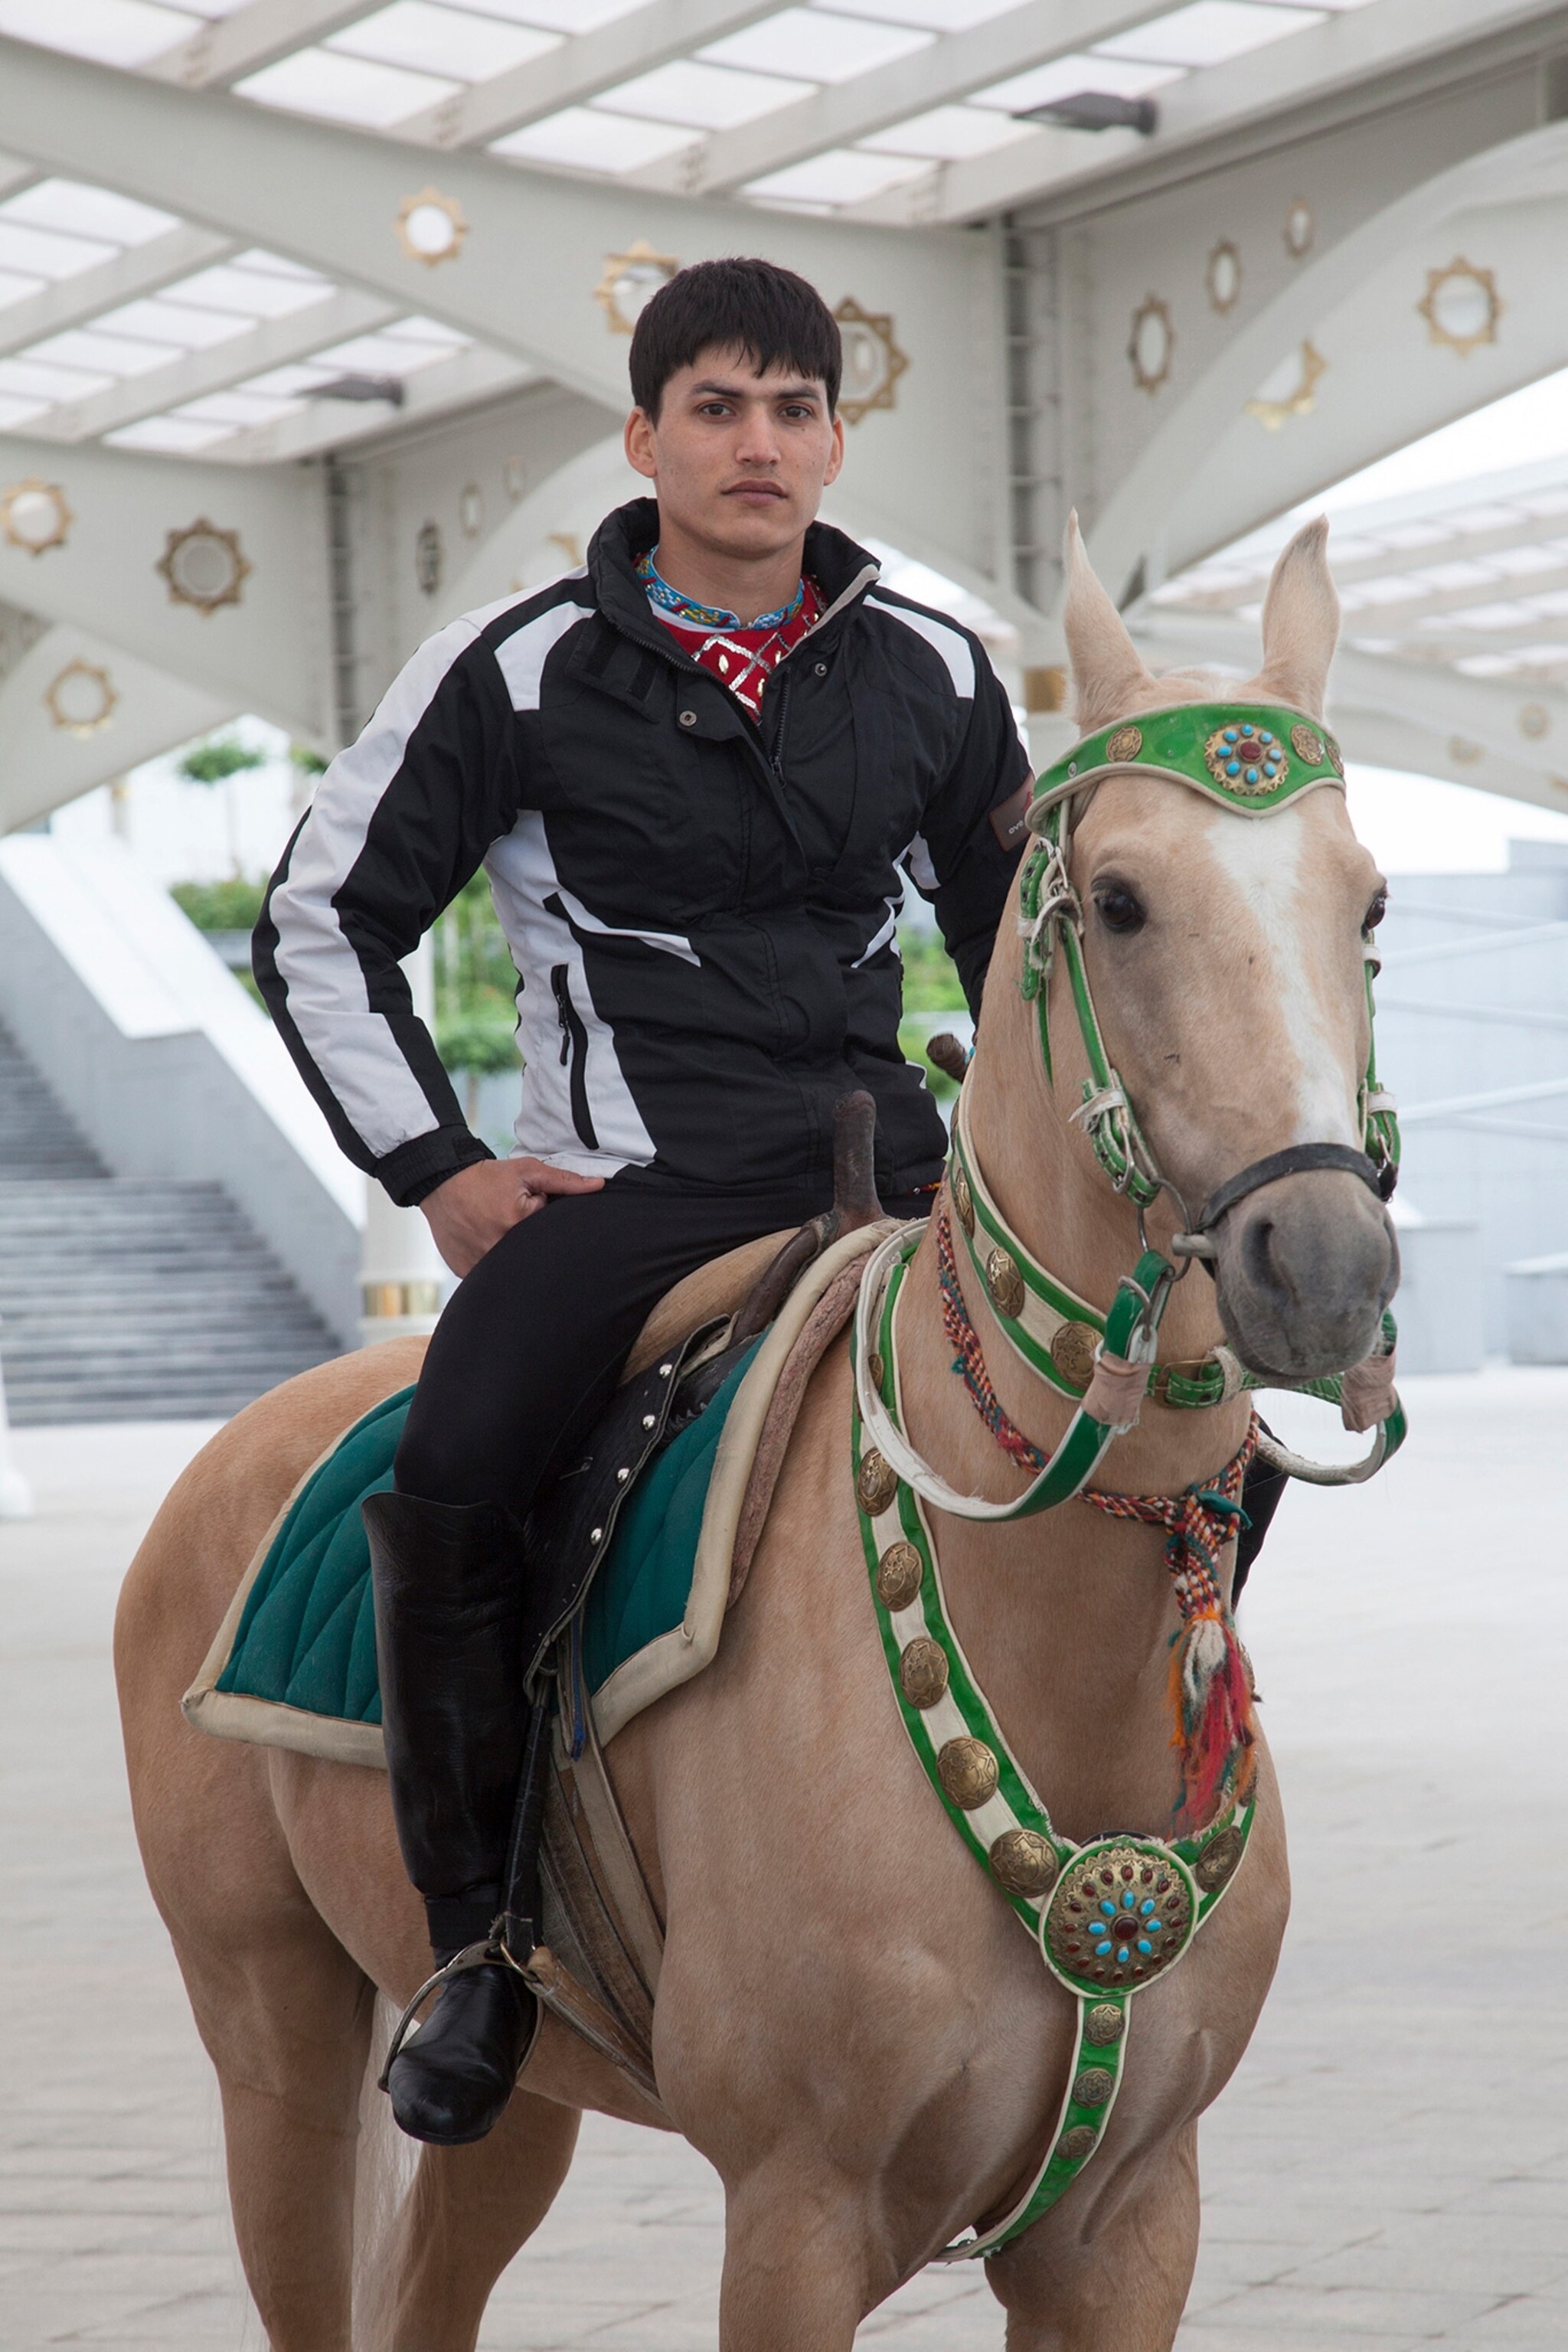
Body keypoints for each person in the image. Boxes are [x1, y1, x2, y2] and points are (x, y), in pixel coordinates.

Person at [254, 256, 1032, 2147]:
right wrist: (437, 1168)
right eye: (716, 406)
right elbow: (317, 918)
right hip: (631, 1188)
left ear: (836, 441)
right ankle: (469, 1947)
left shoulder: (932, 667)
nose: (757, 443)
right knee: (454, 1465)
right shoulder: (515, 668)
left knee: (1197, 1431)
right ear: (645, 437)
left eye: (791, 409)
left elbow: (1028, 950)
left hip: (895, 1172)